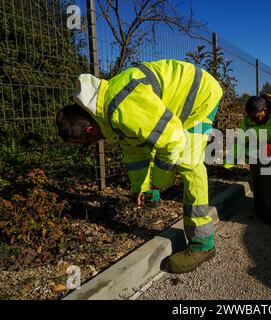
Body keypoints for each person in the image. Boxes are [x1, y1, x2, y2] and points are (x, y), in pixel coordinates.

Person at [56, 59, 223, 273]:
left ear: (90, 131)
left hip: (200, 96)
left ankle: (203, 244)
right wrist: (143, 189)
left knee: (189, 162)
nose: (90, 146)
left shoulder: (122, 106)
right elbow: (135, 151)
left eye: (86, 143)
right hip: (182, 100)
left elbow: (172, 139)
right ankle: (161, 201)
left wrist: (161, 180)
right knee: (163, 145)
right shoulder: (109, 115)